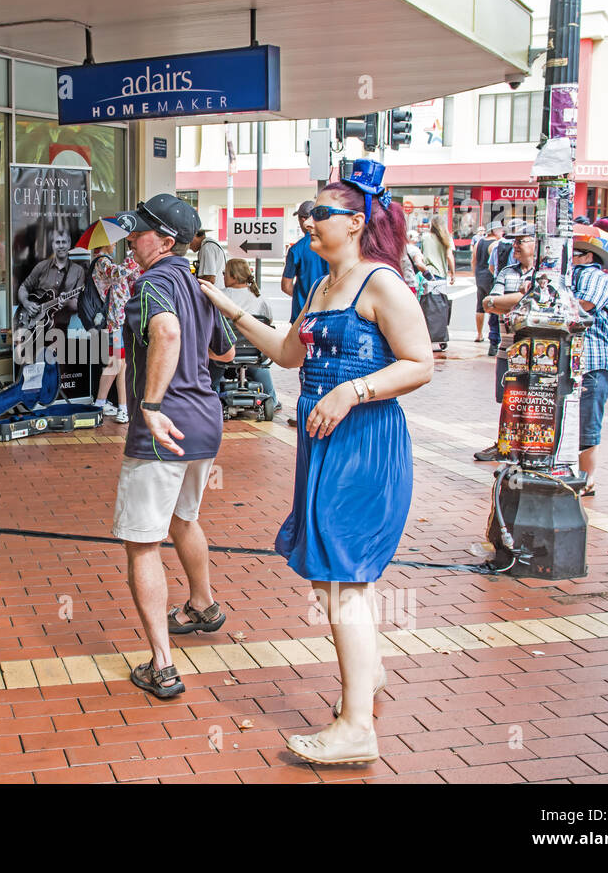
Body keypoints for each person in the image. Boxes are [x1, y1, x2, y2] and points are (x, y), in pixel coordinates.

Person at [199, 159, 432, 765]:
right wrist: (229, 307)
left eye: (318, 213)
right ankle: (369, 674)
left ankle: (356, 727)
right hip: (325, 441)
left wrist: (350, 391)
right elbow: (285, 353)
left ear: (356, 223)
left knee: (343, 576)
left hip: (363, 443)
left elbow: (420, 362)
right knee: (342, 572)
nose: (307, 221)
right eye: (306, 213)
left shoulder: (380, 282)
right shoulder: (323, 285)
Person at [110, 193, 237, 700]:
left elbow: (165, 333)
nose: (130, 238)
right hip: (206, 423)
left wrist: (151, 403)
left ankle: (162, 664)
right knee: (184, 519)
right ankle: (202, 604)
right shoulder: (196, 284)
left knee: (142, 541)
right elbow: (224, 350)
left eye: (138, 231)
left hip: (165, 430)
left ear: (165, 241)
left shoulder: (152, 284)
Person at [474, 231, 538, 461]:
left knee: (533, 399)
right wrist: (524, 297)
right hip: (508, 347)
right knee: (507, 399)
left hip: (535, 351)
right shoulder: (507, 271)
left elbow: (540, 302)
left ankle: (524, 445)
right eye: (515, 242)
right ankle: (504, 444)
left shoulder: (543, 274)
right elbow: (488, 303)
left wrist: (508, 302)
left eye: (521, 241)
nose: (516, 246)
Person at [570, 237, 608, 496]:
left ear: (588, 257)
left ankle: (588, 479)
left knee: (588, 421)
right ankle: (580, 475)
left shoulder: (594, 276)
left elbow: (584, 306)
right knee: (578, 418)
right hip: (580, 361)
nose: (570, 258)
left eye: (575, 254)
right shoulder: (575, 276)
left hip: (595, 360)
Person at [209, 257, 279, 410]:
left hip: (226, 350)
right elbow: (268, 321)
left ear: (234, 276)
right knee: (259, 366)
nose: (223, 277)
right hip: (254, 351)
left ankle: (210, 395)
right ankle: (272, 399)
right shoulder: (259, 298)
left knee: (213, 363)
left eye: (225, 273)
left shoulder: (220, 296)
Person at [281, 201, 327, 427]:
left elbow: (286, 285)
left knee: (306, 366)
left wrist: (303, 298)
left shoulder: (298, 248)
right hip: (333, 314)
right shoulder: (332, 246)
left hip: (305, 317)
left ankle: (307, 414)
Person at [91, 243, 142, 422]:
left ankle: (105, 404)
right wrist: (134, 258)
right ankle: (119, 407)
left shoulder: (106, 261)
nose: (114, 245)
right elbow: (118, 273)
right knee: (118, 363)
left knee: (119, 364)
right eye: (112, 241)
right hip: (115, 320)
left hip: (118, 320)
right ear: (104, 242)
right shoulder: (102, 262)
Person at [17, 228, 85, 336]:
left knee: (61, 353)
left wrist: (67, 302)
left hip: (61, 328)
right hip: (34, 327)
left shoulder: (78, 271)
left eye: (64, 242)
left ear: (69, 244)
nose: (61, 246)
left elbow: (78, 304)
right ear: (52, 245)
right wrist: (26, 303)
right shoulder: (41, 267)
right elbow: (23, 287)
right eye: (57, 242)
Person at [472, 219, 504, 342]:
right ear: (495, 231)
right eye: (500, 230)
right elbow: (494, 264)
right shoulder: (495, 244)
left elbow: (473, 260)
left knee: (479, 306)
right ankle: (493, 335)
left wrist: (475, 274)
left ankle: (479, 334)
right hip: (490, 276)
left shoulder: (478, 243)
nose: (502, 232)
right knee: (493, 305)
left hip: (480, 276)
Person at [421, 214, 456, 284]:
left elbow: (422, 255)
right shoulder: (447, 238)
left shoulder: (425, 237)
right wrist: (453, 273)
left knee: (426, 294)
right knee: (439, 294)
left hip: (427, 273)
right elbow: (449, 256)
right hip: (440, 273)